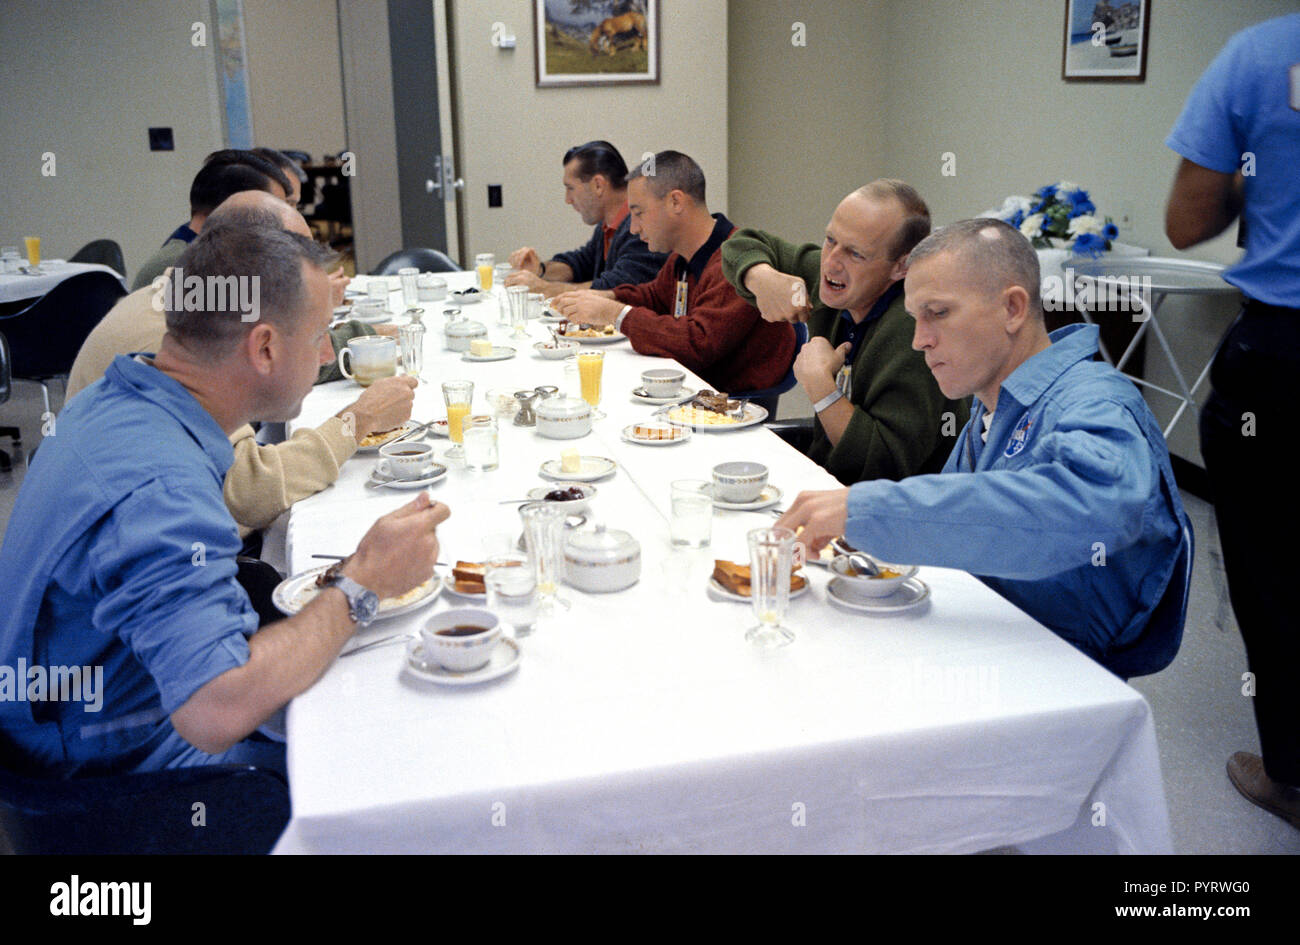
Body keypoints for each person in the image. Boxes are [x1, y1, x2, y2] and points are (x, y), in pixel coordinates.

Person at [0, 221, 449, 777]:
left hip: (73, 710)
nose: (325, 352)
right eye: (317, 337)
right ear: (264, 347)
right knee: (414, 747)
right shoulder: (161, 489)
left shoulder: (122, 395)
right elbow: (215, 707)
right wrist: (364, 583)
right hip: (117, 782)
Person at [777, 219, 1189, 672]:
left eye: (938, 312)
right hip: (993, 640)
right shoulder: (993, 405)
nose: (919, 340)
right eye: (916, 319)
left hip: (1059, 673)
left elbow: (1096, 507)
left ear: (1012, 307)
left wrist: (868, 509)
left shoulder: (1094, 400)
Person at [68, 191, 415, 539]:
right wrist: (360, 418)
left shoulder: (190, 306)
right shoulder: (176, 342)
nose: (326, 353)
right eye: (294, 256)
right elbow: (251, 492)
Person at [1164, 12, 1300, 829]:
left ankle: (1290, 775)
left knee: (1278, 572)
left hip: (1284, 362)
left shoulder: (1259, 54)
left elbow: (1186, 223)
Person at [721, 181, 967, 484]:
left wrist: (820, 387)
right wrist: (761, 276)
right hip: (828, 481)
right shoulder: (837, 282)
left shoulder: (915, 333)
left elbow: (883, 466)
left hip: (891, 511)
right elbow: (740, 244)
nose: (831, 263)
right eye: (829, 240)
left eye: (855, 254)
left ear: (901, 267)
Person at [551, 150, 795, 394]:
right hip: (691, 392)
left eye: (639, 213)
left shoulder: (737, 261)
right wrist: (609, 298)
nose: (634, 228)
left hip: (731, 409)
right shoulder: (682, 258)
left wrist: (615, 313)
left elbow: (697, 343)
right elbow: (655, 297)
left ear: (676, 202)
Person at [505, 140, 666, 298]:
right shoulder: (609, 224)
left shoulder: (642, 228)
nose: (567, 199)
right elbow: (581, 263)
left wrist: (545, 289)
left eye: (571, 188)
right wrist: (540, 269)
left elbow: (617, 290)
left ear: (598, 185)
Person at [130, 154, 290, 291]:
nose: (281, 224)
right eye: (274, 212)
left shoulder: (206, 257)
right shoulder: (180, 268)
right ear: (232, 206)